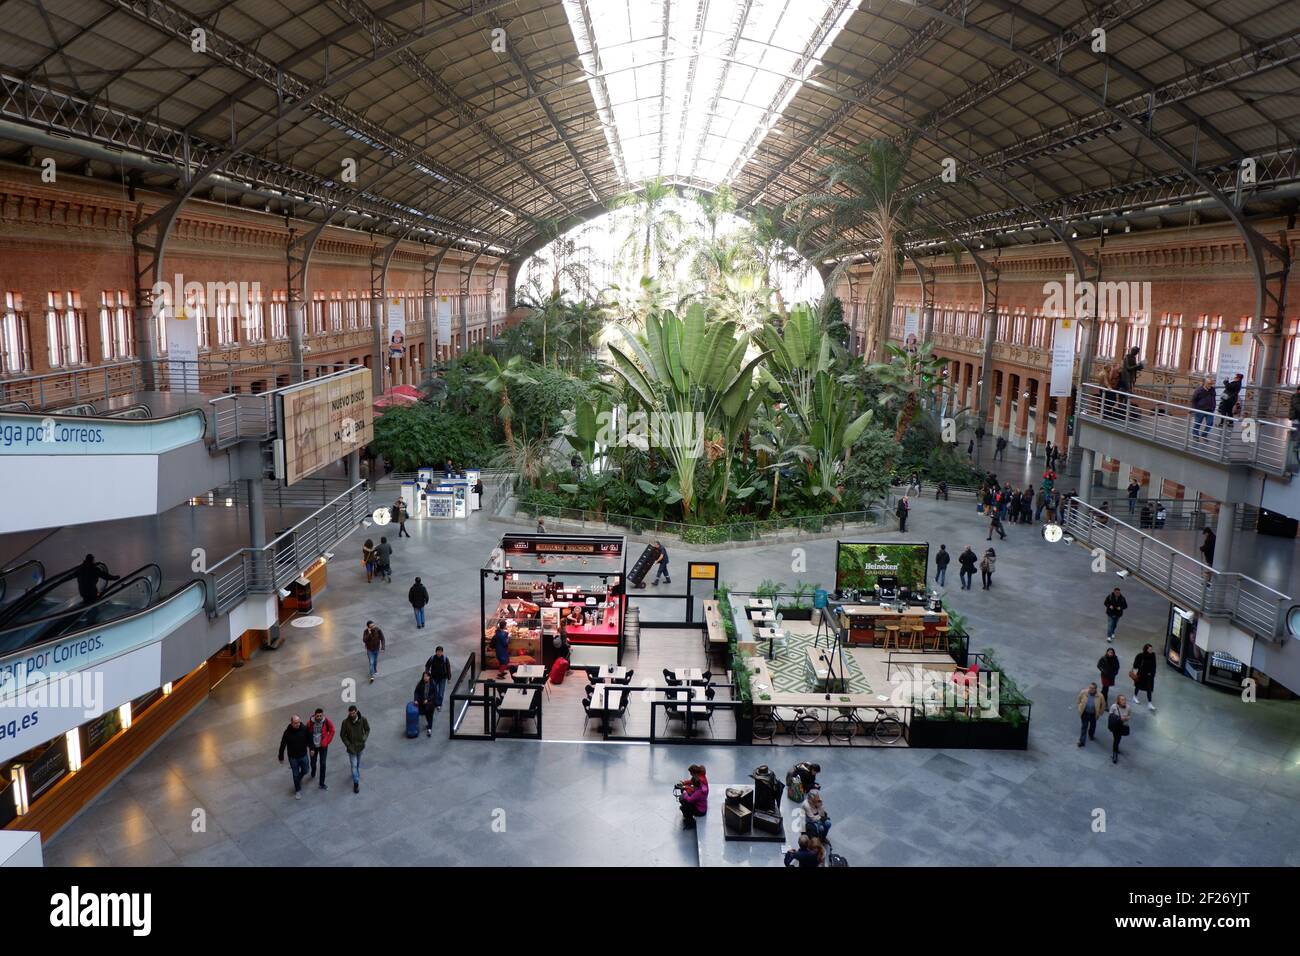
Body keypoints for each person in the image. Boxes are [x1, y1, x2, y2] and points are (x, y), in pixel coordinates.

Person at [277, 714, 314, 799]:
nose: (298, 724)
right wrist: (281, 756)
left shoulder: (304, 729)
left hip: (303, 755)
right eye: (295, 723)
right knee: (295, 774)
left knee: (306, 770)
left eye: (299, 722)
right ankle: (298, 790)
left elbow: (309, 739)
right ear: (292, 723)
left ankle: (299, 778)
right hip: (293, 757)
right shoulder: (287, 733)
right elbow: (283, 745)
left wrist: (312, 749)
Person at [340, 705, 370, 793]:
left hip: (360, 746)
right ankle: (356, 783)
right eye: (350, 713)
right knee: (354, 765)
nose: (352, 715)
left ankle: (355, 774)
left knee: (358, 764)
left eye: (353, 713)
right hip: (351, 749)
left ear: (356, 712)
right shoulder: (345, 723)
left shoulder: (363, 720)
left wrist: (364, 738)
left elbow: (367, 729)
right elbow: (342, 735)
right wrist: (348, 745)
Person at [306, 708, 333, 790]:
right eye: (317, 716)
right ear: (315, 715)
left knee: (323, 764)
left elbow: (332, 730)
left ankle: (322, 783)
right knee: (313, 763)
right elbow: (306, 735)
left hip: (323, 747)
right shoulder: (310, 723)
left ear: (323, 715)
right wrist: (310, 747)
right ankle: (313, 770)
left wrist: (327, 741)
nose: (319, 717)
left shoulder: (326, 721)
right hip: (313, 747)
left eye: (320, 716)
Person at [1077, 682, 1104, 747]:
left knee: (1093, 726)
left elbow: (1102, 705)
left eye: (1093, 688)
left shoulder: (1100, 696)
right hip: (1085, 713)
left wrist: (1100, 713)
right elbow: (1078, 699)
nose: (1091, 689)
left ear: (1095, 689)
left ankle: (1091, 734)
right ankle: (1082, 741)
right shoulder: (1084, 692)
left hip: (1093, 714)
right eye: (1090, 688)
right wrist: (1079, 707)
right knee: (1084, 727)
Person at [426, 645, 452, 711]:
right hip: (434, 678)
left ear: (442, 652)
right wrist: (427, 673)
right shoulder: (432, 658)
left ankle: (439, 704)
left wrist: (449, 678)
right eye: (438, 651)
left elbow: (448, 668)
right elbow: (427, 665)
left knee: (441, 692)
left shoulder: (445, 659)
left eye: (440, 652)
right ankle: (436, 703)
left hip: (443, 678)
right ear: (436, 652)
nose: (439, 653)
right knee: (435, 691)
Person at [1108, 694, 1132, 764]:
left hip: (1122, 725)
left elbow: (1130, 715)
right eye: (1122, 700)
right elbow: (1111, 714)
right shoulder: (1114, 706)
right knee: (1116, 738)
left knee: (1118, 738)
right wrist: (1119, 718)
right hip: (1115, 725)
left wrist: (1126, 718)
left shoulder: (1128, 707)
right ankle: (1114, 754)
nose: (1124, 701)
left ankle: (1116, 748)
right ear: (1118, 700)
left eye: (1124, 700)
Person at [1132, 644, 1157, 711]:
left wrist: (1153, 674)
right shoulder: (1140, 656)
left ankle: (1150, 703)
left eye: (1151, 649)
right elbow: (1135, 665)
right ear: (1146, 649)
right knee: (1138, 686)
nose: (1151, 650)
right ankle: (1134, 696)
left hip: (1149, 676)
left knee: (1149, 689)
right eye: (1149, 649)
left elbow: (1154, 666)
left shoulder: (1153, 656)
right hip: (1141, 674)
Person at [413, 670, 437, 737]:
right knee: (426, 714)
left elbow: (434, 694)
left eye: (427, 676)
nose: (425, 677)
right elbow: (416, 692)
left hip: (430, 703)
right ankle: (429, 723)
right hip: (422, 703)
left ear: (429, 677)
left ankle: (429, 728)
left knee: (430, 715)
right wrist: (416, 700)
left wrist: (428, 700)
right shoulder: (420, 683)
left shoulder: (433, 684)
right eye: (424, 676)